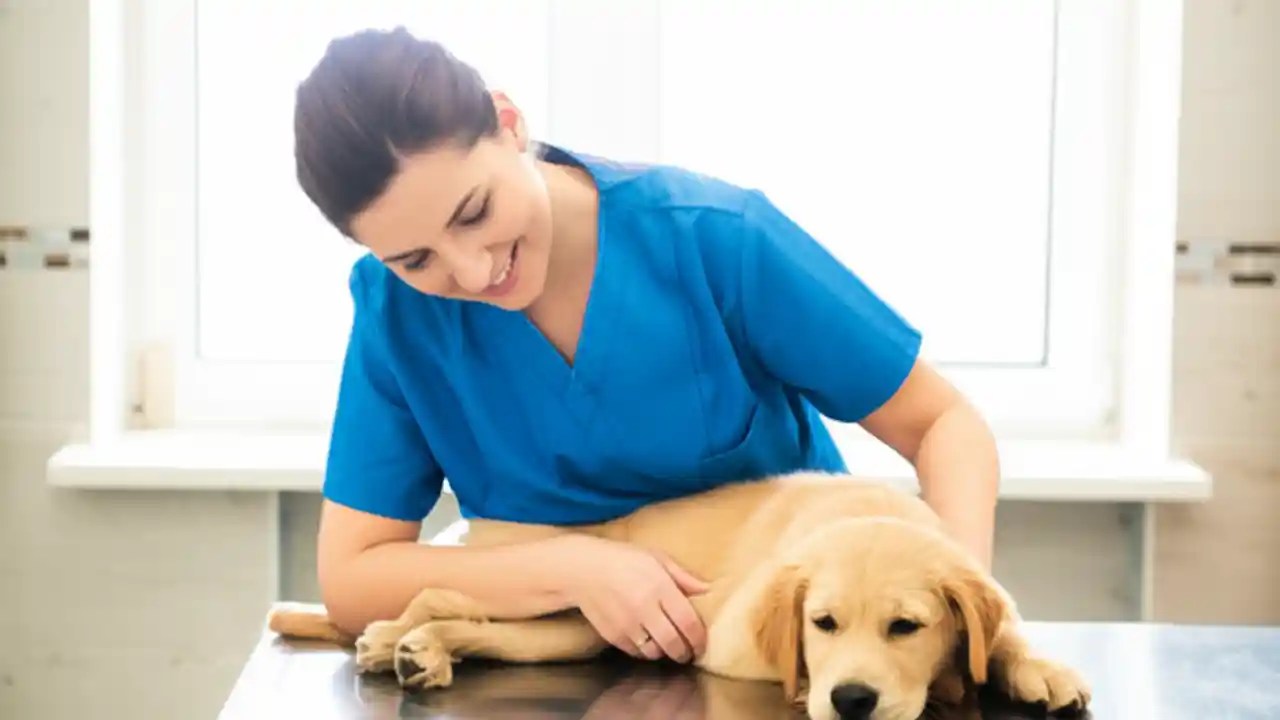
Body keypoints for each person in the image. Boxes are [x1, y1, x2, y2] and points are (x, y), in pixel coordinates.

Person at [294, 27, 1000, 666]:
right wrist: (578, 567)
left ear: (508, 125)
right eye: (416, 259)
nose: (474, 271)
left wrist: (959, 611)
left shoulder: (715, 240)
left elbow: (943, 424)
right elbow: (355, 579)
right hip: (544, 673)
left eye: (475, 212)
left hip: (778, 670)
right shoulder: (395, 315)